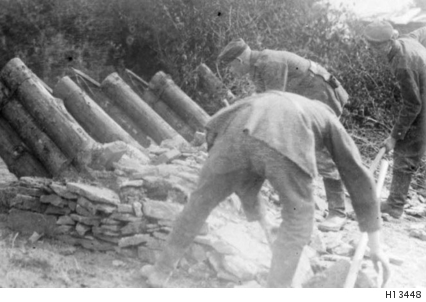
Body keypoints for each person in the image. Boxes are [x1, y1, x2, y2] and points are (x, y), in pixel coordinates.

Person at [141, 91, 390, 288]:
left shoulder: (272, 98)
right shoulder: (327, 119)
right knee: (299, 215)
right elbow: (357, 174)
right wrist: (376, 246)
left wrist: (260, 217)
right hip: (280, 142)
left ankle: (161, 271)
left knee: (200, 202)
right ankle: (278, 289)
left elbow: (244, 166)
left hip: (235, 135)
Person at [215, 38, 350, 232]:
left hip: (321, 97)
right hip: (305, 100)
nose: (231, 73)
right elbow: (264, 101)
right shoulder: (257, 66)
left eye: (230, 68)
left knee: (319, 150)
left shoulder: (270, 63)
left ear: (238, 61)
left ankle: (338, 213)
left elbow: (275, 106)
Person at [363, 20, 426, 218]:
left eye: (376, 45)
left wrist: (393, 137)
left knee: (405, 151)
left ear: (389, 42)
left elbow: (412, 105)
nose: (373, 49)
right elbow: (423, 31)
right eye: (371, 44)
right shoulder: (407, 39)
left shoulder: (403, 64)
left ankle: (395, 206)